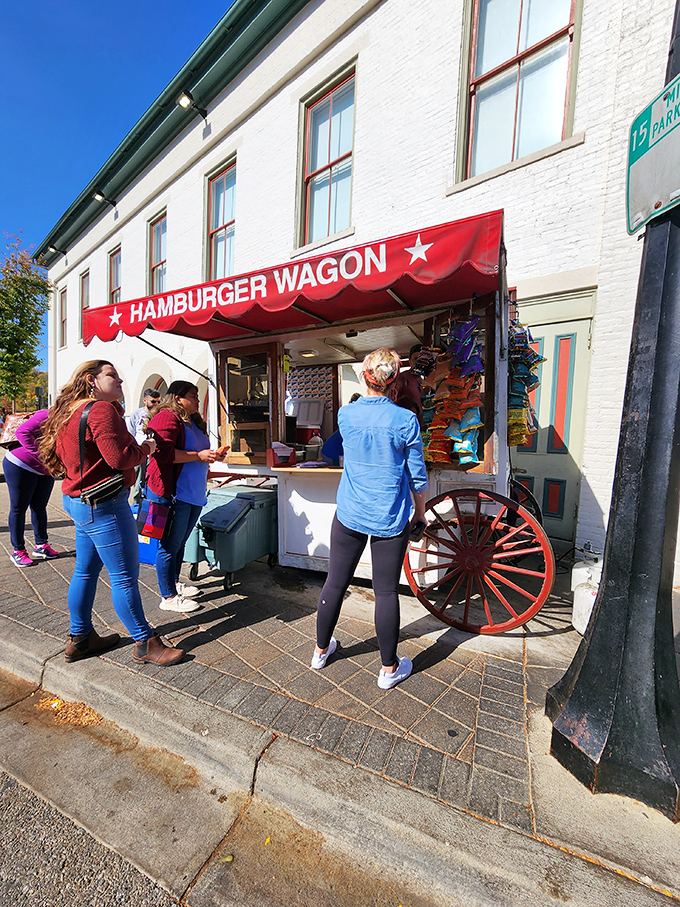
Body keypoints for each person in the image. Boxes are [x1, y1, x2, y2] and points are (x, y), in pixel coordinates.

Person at [39, 361, 184, 667]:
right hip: (105, 504)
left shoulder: (67, 410)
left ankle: (80, 638)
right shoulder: (101, 410)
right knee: (124, 577)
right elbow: (119, 458)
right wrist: (146, 448)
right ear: (92, 380)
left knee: (85, 571)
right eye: (112, 375)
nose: (119, 380)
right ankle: (145, 643)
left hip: (79, 501)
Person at [312, 348, 428, 689]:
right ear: (393, 381)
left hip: (349, 512)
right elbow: (417, 476)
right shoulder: (406, 420)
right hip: (389, 517)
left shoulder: (347, 415)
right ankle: (389, 670)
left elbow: (335, 450)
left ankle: (320, 651)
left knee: (335, 582)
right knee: (386, 592)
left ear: (366, 378)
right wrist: (420, 512)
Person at [146, 381, 228, 612]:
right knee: (169, 543)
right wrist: (199, 455)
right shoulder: (167, 417)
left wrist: (212, 456)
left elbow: (197, 455)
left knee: (180, 541)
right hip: (175, 492)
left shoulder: (193, 421)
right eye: (193, 395)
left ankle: (173, 583)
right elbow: (163, 454)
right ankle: (168, 597)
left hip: (192, 492)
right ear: (178, 397)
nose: (198, 399)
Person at [3, 409, 59, 567]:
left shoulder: (77, 418)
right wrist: (41, 455)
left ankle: (42, 545)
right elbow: (22, 432)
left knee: (39, 507)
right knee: (18, 508)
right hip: (20, 464)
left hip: (46, 468)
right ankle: (18, 551)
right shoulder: (49, 414)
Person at [128, 388, 161, 505]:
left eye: (158, 402)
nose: (156, 404)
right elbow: (131, 432)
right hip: (140, 450)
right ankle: (136, 505)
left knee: (151, 481)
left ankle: (148, 504)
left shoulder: (159, 414)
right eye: (153, 401)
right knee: (138, 481)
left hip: (154, 451)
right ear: (145, 400)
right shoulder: (137, 414)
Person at [392, 343, 424, 423]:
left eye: (421, 359)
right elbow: (392, 400)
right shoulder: (402, 378)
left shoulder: (424, 380)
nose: (418, 362)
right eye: (415, 359)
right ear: (410, 360)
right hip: (406, 423)